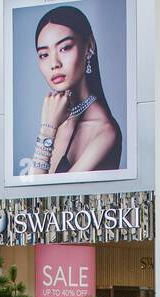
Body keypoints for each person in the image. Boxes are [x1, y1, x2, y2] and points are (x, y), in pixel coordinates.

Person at [29, 5, 123, 175]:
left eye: (64, 48)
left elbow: (40, 197)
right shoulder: (58, 118)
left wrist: (47, 131)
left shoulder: (105, 132)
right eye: (44, 54)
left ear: (89, 46)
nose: (54, 63)